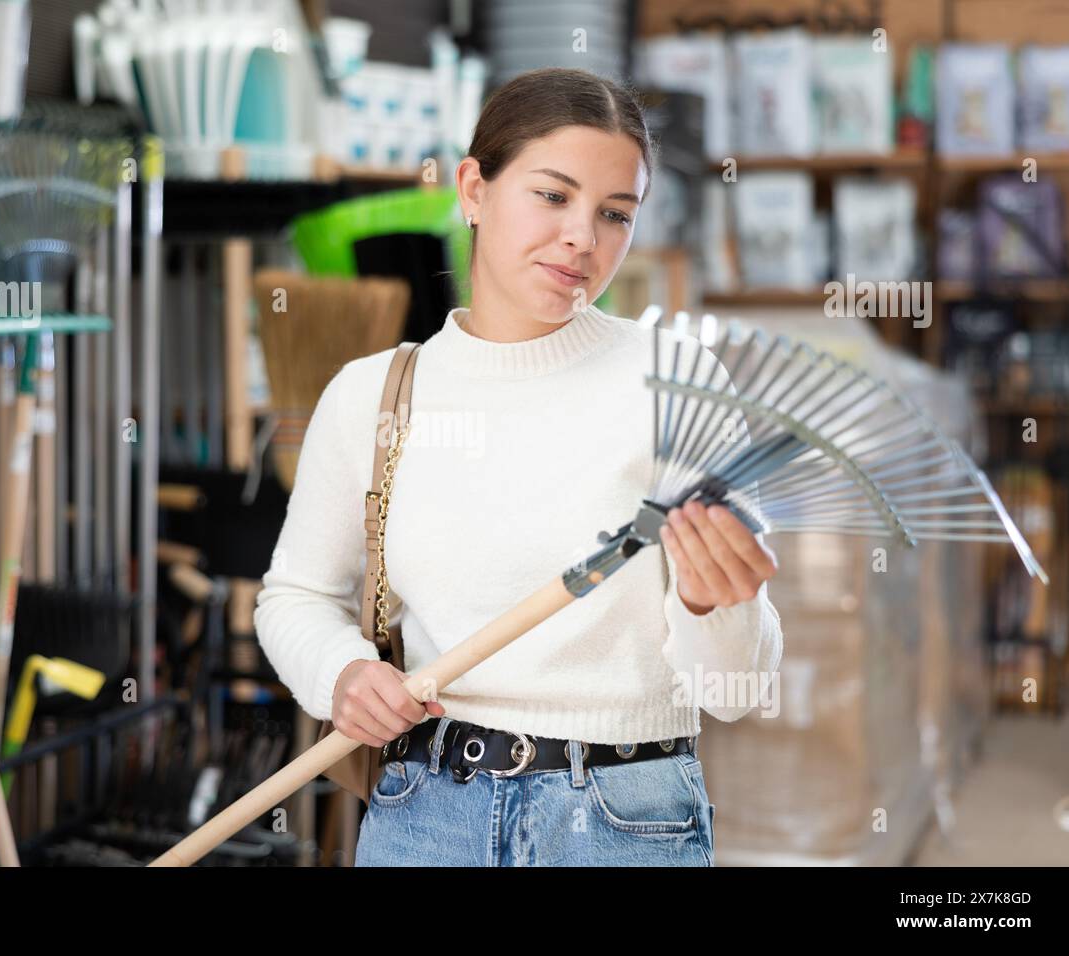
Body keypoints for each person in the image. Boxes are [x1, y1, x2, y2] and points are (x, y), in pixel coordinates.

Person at [254, 67, 783, 866]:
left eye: (615, 213)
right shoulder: (375, 396)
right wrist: (342, 672)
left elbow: (736, 694)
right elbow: (293, 597)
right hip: (424, 811)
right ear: (472, 188)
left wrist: (717, 610)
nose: (583, 237)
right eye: (552, 195)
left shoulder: (674, 384)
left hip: (624, 819)